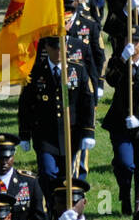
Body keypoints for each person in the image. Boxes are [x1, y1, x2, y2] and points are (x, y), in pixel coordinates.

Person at [17, 35, 95, 198]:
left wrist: (88, 131)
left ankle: (67, 210)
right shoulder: (36, 72)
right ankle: (50, 208)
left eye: (62, 46)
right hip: (46, 136)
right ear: (46, 47)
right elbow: (25, 105)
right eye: (54, 47)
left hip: (71, 134)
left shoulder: (77, 70)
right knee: (47, 173)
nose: (59, 51)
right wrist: (24, 134)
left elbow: (87, 102)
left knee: (68, 177)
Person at [103, 23, 139, 216]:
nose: (132, 44)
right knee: (125, 164)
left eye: (136, 41)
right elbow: (110, 80)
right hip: (120, 125)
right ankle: (124, 193)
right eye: (129, 40)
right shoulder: (116, 62)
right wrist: (122, 59)